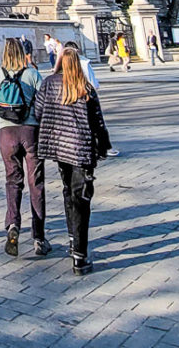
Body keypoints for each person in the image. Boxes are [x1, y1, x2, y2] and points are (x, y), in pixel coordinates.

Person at [34, 47, 112, 275]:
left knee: (69, 191)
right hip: (81, 149)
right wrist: (105, 146)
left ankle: (72, 240)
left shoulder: (49, 83)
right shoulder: (85, 87)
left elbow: (38, 112)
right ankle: (80, 253)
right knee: (82, 198)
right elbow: (98, 121)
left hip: (60, 148)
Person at [0, 37, 50, 258]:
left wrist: (2, 118)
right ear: (23, 52)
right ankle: (39, 237)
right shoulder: (32, 74)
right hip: (30, 132)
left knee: (13, 181)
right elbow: (44, 101)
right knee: (36, 183)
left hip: (7, 134)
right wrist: (35, 118)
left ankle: (13, 225)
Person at [62, 40, 120, 158]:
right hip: (86, 94)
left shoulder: (62, 64)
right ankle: (104, 148)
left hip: (69, 95)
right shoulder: (83, 62)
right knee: (96, 122)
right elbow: (93, 83)